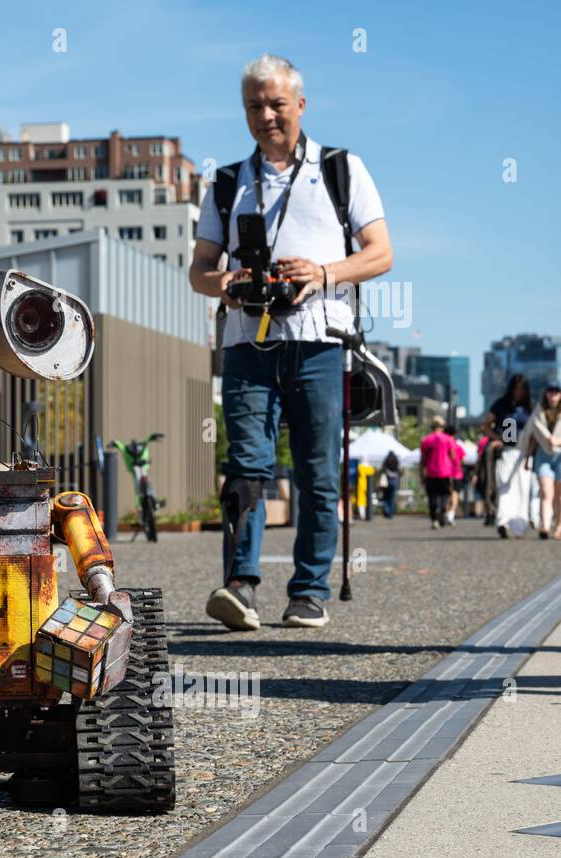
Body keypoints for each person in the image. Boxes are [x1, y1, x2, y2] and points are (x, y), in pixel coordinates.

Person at [190, 54, 392, 630]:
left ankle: (309, 590)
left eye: (277, 103)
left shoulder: (340, 169)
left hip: (320, 341)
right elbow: (199, 268)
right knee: (247, 464)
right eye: (255, 105)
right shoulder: (227, 182)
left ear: (300, 104)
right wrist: (224, 282)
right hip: (247, 342)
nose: (266, 115)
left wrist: (323, 274)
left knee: (318, 471)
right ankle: (240, 587)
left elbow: (381, 253)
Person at [488, 374, 533, 538]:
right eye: (516, 388)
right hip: (507, 450)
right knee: (505, 486)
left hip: (525, 451)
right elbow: (485, 426)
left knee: (523, 488)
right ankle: (503, 521)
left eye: (521, 389)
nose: (518, 392)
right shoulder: (501, 405)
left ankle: (519, 525)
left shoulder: (529, 407)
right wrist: (497, 438)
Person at [527, 380, 561, 540]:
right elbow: (532, 436)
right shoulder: (537, 412)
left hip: (559, 454)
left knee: (559, 495)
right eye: (550, 391)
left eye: (556, 392)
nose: (553, 395)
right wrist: (527, 456)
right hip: (542, 454)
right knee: (546, 492)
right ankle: (545, 525)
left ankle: (559, 526)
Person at [419, 416, 459, 529]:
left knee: (432, 496)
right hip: (445, 472)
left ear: (432, 427)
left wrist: (421, 473)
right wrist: (454, 470)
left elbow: (422, 459)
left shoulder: (426, 440)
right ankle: (442, 509)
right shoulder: (448, 439)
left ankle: (434, 520)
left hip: (431, 472)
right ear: (442, 427)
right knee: (445, 494)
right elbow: (453, 456)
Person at [380, 450, 401, 519]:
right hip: (394, 480)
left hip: (387, 480)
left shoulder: (386, 460)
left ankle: (387, 511)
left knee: (386, 497)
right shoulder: (396, 460)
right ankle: (390, 513)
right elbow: (399, 471)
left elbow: (383, 469)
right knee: (392, 498)